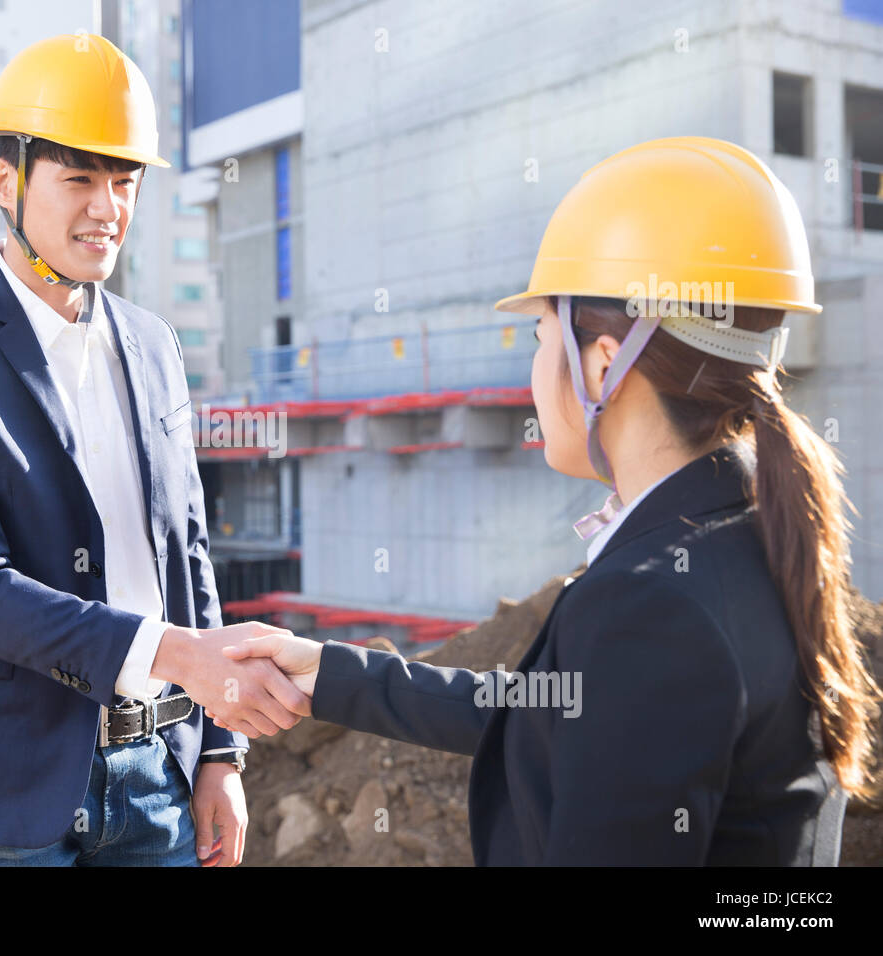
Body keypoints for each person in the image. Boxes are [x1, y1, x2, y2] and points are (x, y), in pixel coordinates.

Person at [215, 136, 882, 864]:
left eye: (539, 335)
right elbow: (569, 709)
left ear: (603, 366)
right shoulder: (756, 525)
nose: (534, 368)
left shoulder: (648, 604)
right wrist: (332, 675)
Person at [0, 33, 308, 868]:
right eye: (78, 180)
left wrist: (217, 753)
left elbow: (188, 555)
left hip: (157, 781)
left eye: (123, 182)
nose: (108, 208)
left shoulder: (154, 343)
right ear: (5, 181)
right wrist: (182, 659)